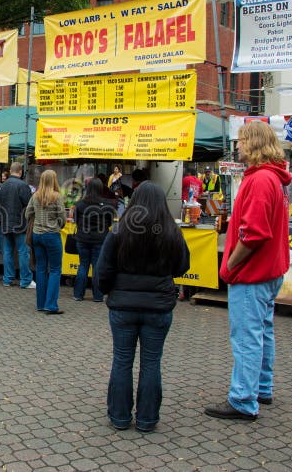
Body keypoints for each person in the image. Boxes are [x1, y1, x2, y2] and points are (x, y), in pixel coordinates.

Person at [204, 120, 291, 422]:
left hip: (252, 273)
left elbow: (254, 234)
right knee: (263, 331)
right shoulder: (274, 178)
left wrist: (230, 265)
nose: (238, 146)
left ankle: (243, 399)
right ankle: (261, 387)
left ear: (253, 143)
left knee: (246, 336)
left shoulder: (260, 180)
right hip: (269, 270)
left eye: (241, 141)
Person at [97, 181, 190, 432]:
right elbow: (182, 266)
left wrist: (107, 292)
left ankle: (119, 416)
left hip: (123, 307)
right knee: (151, 362)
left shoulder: (119, 230)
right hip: (158, 308)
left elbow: (104, 270)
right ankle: (147, 419)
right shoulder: (171, 231)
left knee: (122, 360)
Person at [25, 170, 66, 314]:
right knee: (55, 270)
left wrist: (37, 218)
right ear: (54, 180)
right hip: (52, 235)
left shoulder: (35, 196)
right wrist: (57, 224)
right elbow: (62, 218)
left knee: (41, 269)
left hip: (37, 235)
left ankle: (41, 304)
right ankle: (51, 305)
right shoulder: (57, 197)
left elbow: (27, 213)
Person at [73, 177, 116, 302]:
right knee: (97, 266)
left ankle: (78, 294)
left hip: (82, 238)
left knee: (83, 265)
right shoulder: (107, 205)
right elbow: (109, 222)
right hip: (100, 239)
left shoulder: (80, 204)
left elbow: (76, 220)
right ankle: (98, 296)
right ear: (100, 189)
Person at [0, 162, 35, 289]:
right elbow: (29, 204)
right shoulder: (23, 185)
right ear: (20, 171)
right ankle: (25, 280)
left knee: (8, 252)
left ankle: (7, 279)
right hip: (20, 224)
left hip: (5, 223)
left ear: (10, 171)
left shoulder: (3, 185)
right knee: (23, 252)